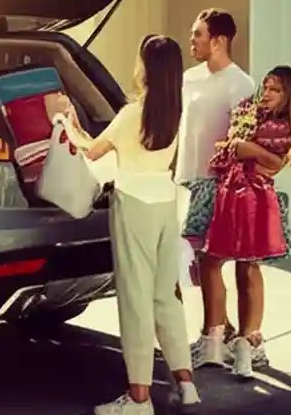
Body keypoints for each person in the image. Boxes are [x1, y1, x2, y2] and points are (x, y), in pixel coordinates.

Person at [47, 35, 200, 415]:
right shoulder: (176, 112)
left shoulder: (133, 114)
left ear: (148, 67)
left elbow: (91, 149)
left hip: (133, 205)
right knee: (165, 296)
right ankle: (186, 384)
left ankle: (139, 399)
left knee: (136, 300)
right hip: (165, 202)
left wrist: (64, 118)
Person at [195, 66, 291, 378]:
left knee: (240, 264)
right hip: (234, 194)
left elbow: (272, 163)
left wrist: (245, 147)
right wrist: (237, 147)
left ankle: (240, 342)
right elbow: (247, 154)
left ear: (289, 96)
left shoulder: (280, 127)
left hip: (251, 199)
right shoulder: (254, 115)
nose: (267, 94)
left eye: (276, 90)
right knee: (224, 261)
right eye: (266, 87)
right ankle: (232, 341)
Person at [172, 9, 258, 369]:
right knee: (191, 265)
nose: (191, 40)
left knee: (220, 262)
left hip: (222, 186)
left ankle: (232, 340)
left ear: (219, 41)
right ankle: (218, 334)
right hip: (186, 183)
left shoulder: (242, 84)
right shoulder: (188, 79)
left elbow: (246, 140)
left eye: (198, 34)